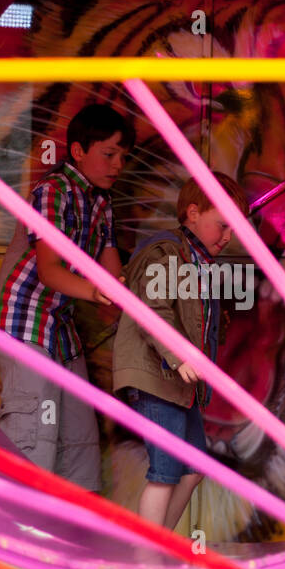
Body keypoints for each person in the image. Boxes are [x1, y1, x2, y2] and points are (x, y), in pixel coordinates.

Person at [0, 103, 132, 492]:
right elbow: (48, 270)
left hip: (60, 328)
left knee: (80, 441)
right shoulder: (53, 192)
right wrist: (97, 291)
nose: (118, 164)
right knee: (34, 431)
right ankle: (20, 535)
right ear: (77, 152)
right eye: (109, 154)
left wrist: (126, 296)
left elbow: (111, 274)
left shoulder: (102, 204)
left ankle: (72, 536)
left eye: (123, 156)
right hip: (25, 322)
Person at [112, 173, 248, 529]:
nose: (228, 236)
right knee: (167, 470)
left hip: (179, 382)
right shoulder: (165, 251)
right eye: (222, 225)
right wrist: (180, 356)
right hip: (158, 374)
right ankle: (148, 556)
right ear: (192, 213)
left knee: (192, 468)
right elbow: (153, 309)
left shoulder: (198, 262)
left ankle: (160, 544)